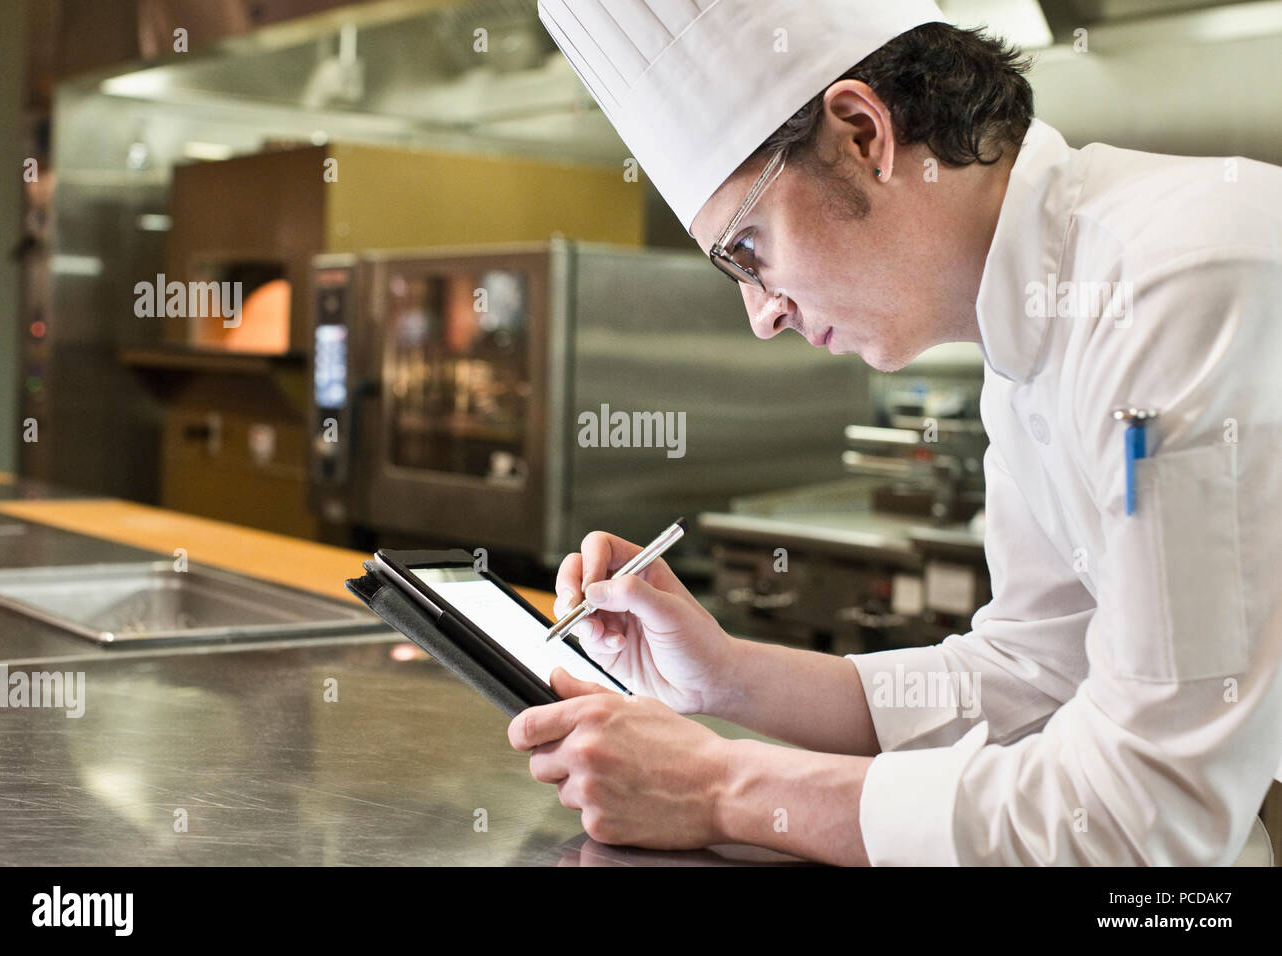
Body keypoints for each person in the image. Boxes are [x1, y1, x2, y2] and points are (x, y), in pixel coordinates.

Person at [507, 0, 1282, 865]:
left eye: (749, 250)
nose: (761, 316)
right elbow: (1034, 676)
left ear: (862, 134)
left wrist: (722, 788)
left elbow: (1147, 815)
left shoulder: (1175, 285)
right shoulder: (1026, 328)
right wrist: (726, 677)